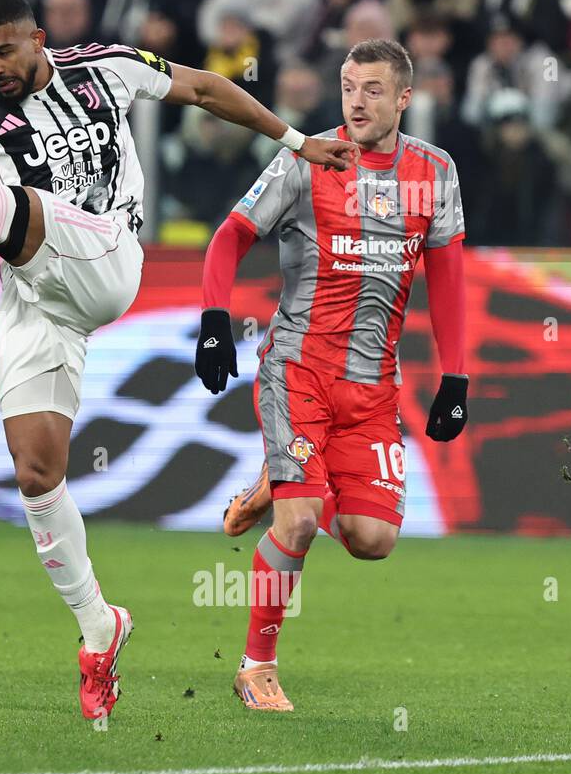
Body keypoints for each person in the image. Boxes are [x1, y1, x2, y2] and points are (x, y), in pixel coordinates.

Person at [0, 0, 357, 720]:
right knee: (36, 472)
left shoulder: (106, 66)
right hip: (37, 291)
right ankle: (99, 626)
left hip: (108, 255)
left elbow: (208, 88)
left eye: (4, 53)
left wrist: (298, 142)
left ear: (38, 39)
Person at [194, 39, 469, 711]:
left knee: (373, 540)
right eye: (349, 85)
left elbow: (449, 277)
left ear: (405, 97)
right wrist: (212, 321)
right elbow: (229, 235)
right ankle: (256, 665)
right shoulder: (305, 157)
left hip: (374, 388)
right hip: (298, 371)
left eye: (374, 88)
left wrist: (456, 379)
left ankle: (282, 481)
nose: (357, 99)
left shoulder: (434, 170)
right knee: (299, 518)